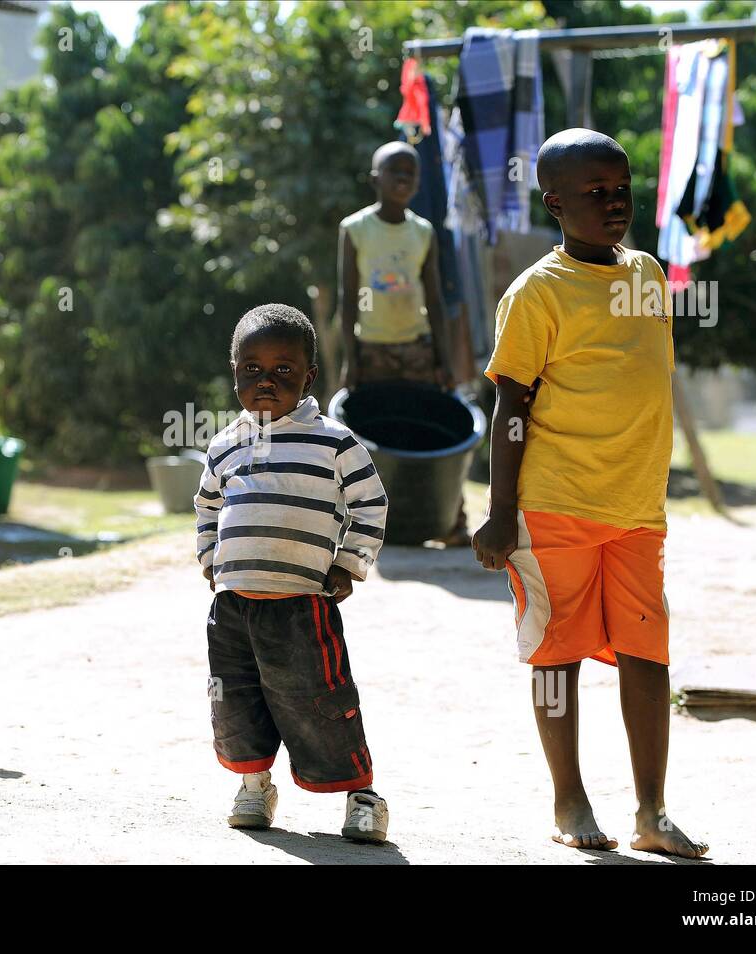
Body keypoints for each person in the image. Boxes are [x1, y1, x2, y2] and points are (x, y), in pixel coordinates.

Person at [472, 128, 708, 858]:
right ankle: (569, 799)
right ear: (555, 204)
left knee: (649, 654)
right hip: (554, 507)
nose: (615, 204)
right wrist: (500, 512)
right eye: (595, 194)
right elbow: (511, 408)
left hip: (637, 510)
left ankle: (652, 812)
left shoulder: (645, 274)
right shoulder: (537, 293)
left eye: (623, 190)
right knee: (557, 655)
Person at [195, 304, 390, 843]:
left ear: (309, 377)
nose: (265, 381)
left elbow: (371, 505)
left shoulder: (334, 441)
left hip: (303, 604)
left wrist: (349, 564)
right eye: (251, 369)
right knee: (236, 700)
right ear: (234, 371)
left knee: (322, 702)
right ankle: (254, 786)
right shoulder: (224, 444)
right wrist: (212, 561)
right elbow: (207, 508)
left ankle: (362, 797)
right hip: (233, 607)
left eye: (283, 370)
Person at [339, 140, 469, 546]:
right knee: (366, 438)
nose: (403, 179)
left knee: (427, 430)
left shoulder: (422, 231)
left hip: (416, 346)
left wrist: (443, 360)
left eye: (410, 173)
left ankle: (451, 522)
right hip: (372, 348)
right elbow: (347, 299)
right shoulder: (355, 229)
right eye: (394, 171)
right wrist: (351, 358)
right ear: (375, 178)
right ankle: (356, 522)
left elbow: (434, 298)